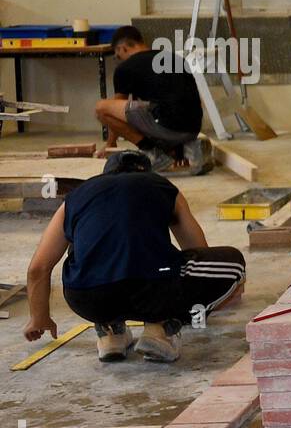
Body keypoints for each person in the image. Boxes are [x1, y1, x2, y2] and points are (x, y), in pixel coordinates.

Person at [23, 150, 246, 363]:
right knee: (235, 263)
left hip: (88, 298)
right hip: (154, 292)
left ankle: (110, 331)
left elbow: (38, 268)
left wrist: (39, 317)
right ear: (147, 172)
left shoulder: (76, 196)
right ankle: (161, 327)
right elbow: (197, 250)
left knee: (84, 248)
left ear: (105, 173)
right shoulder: (161, 186)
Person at [96, 26, 211, 174]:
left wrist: (110, 144)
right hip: (193, 128)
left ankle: (153, 154)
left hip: (167, 127)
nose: (119, 60)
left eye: (118, 56)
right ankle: (189, 148)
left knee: (102, 108)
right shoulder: (173, 57)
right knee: (154, 108)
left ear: (122, 48)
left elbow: (115, 107)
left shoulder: (125, 68)